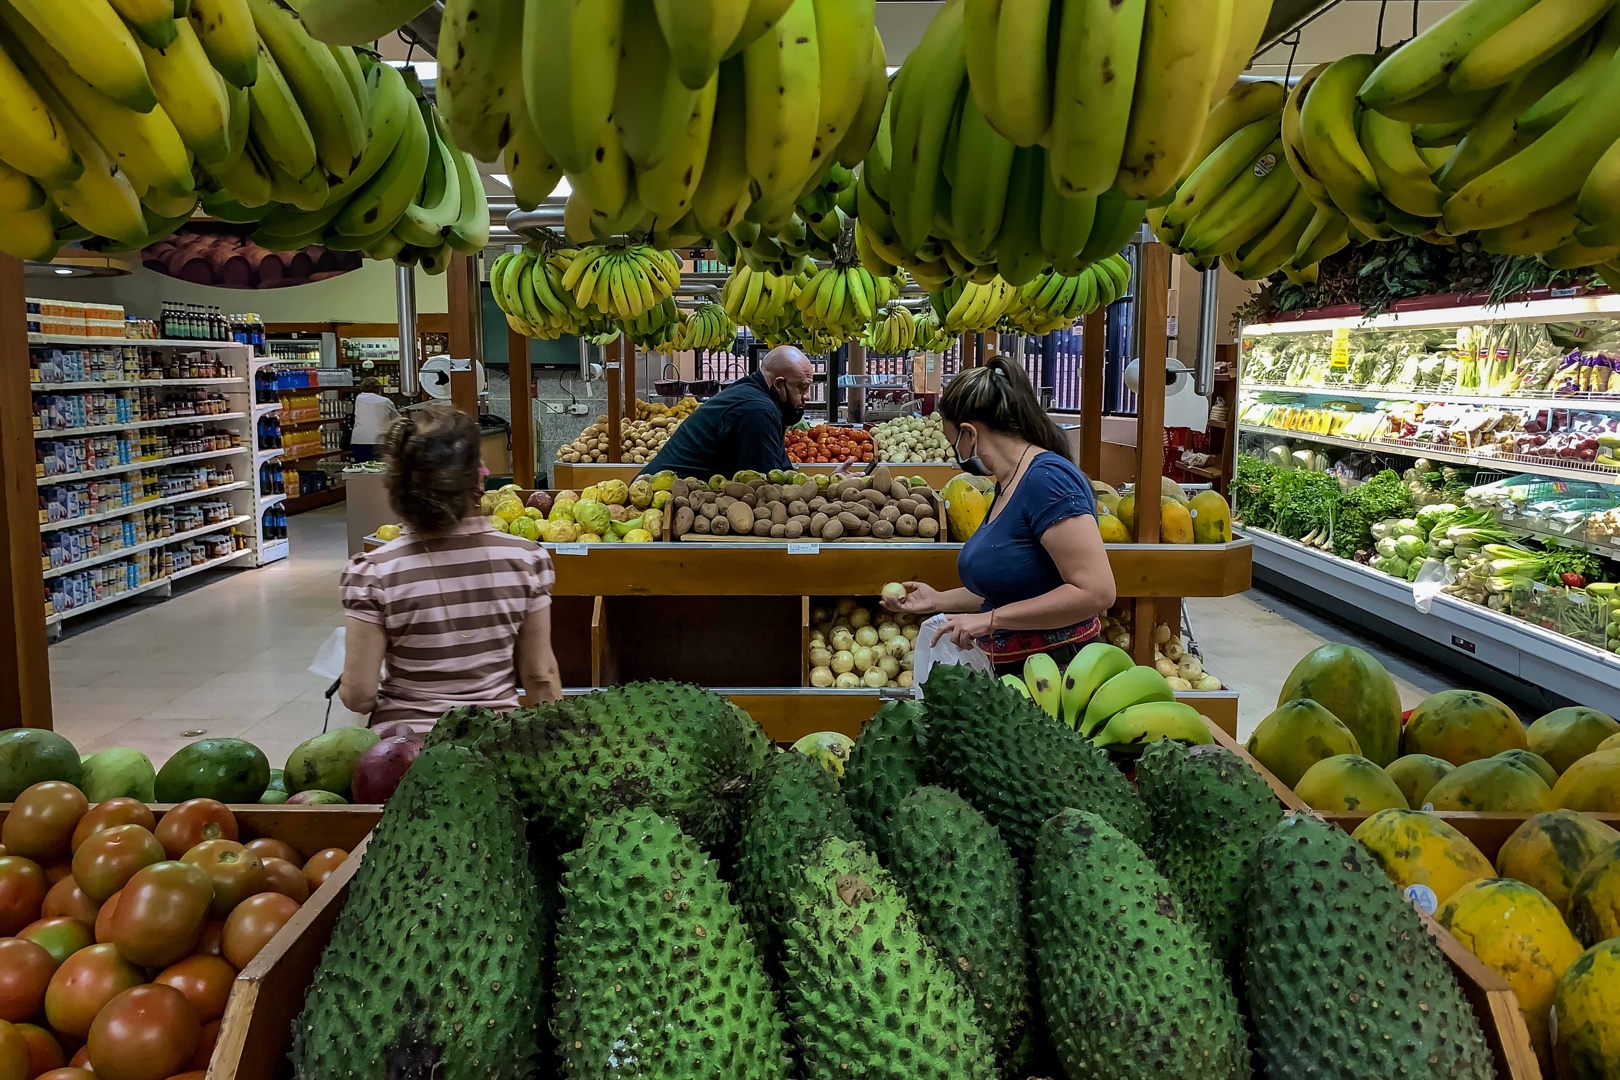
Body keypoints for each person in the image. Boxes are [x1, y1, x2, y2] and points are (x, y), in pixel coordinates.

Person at [882, 357, 1116, 676]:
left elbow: (1096, 591)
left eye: (954, 444)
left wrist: (990, 620)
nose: (956, 454)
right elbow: (1015, 584)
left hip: (1056, 677)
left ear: (969, 433)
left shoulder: (1047, 480)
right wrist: (937, 600)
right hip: (1014, 678)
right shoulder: (1007, 484)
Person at [340, 406, 561, 731]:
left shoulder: (373, 572)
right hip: (494, 747)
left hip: (404, 756)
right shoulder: (528, 560)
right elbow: (540, 677)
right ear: (477, 482)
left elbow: (359, 695)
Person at [643, 346, 812, 478]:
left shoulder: (751, 394)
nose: (808, 396)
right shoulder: (757, 411)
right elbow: (765, 488)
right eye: (802, 387)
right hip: (658, 501)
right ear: (779, 384)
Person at [349, 377, 399, 463]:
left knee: (362, 469)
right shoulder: (386, 401)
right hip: (380, 441)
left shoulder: (358, 399)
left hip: (359, 440)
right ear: (379, 389)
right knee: (380, 470)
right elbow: (397, 419)